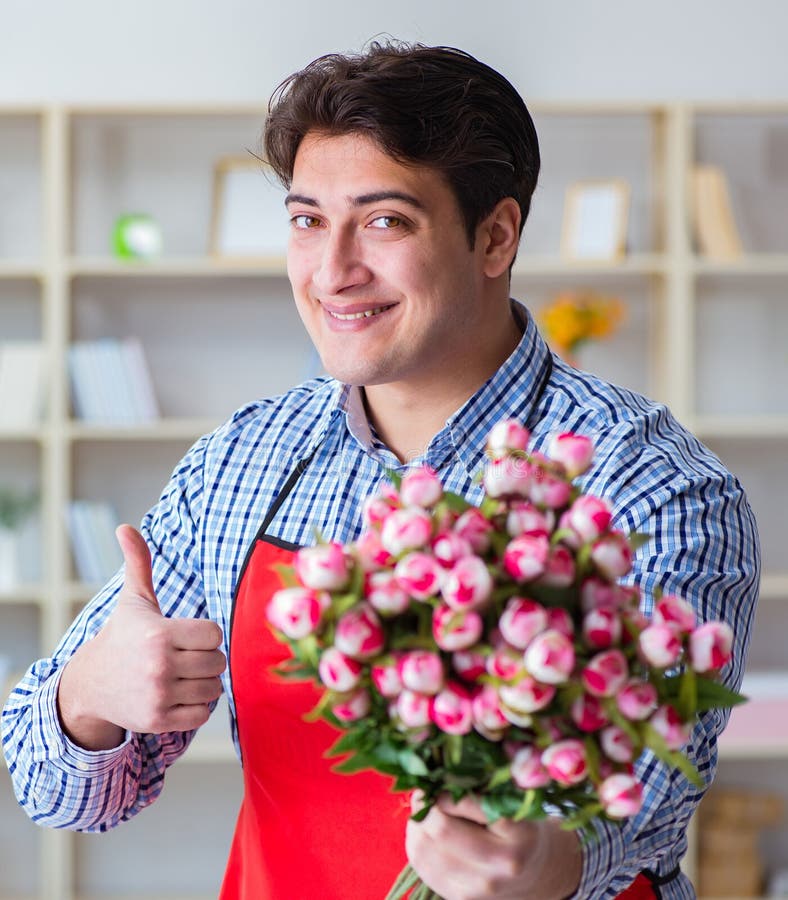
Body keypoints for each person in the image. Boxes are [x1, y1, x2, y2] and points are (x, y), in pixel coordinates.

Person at [1, 41, 759, 900]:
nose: (332, 272)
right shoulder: (243, 461)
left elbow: (650, 791)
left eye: (385, 221)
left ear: (495, 235)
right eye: (307, 220)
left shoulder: (650, 483)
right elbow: (53, 790)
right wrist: (90, 697)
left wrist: (552, 860)